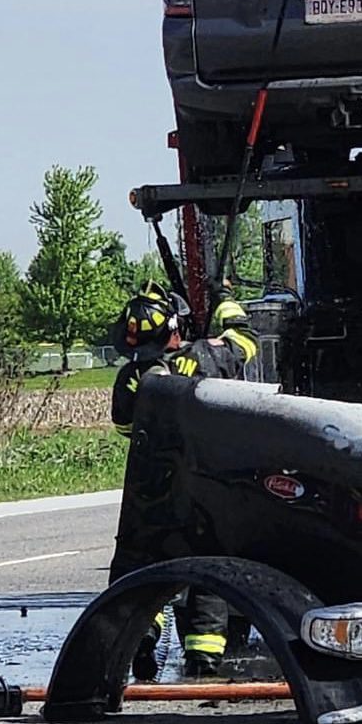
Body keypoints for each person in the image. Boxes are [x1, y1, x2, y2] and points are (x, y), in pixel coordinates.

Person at [109, 284, 259, 680]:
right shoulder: (203, 357)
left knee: (140, 571)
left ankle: (137, 642)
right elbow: (246, 342)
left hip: (149, 492)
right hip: (201, 490)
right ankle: (204, 660)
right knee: (206, 568)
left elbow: (124, 426)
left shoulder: (130, 378)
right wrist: (224, 299)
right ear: (175, 329)